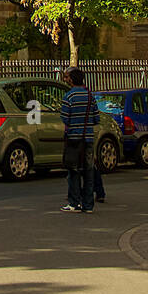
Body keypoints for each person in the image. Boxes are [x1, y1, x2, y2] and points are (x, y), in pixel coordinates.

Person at [60, 66, 100, 214]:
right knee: (88, 171)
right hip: (88, 139)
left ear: (72, 79)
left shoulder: (68, 97)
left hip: (73, 140)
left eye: (67, 77)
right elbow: (96, 119)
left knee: (73, 170)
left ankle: (74, 203)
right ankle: (88, 205)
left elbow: (65, 118)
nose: (66, 80)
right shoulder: (90, 97)